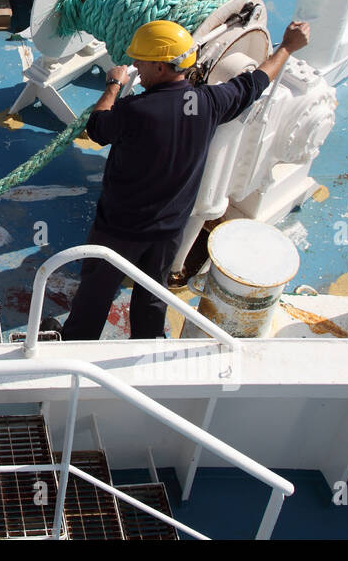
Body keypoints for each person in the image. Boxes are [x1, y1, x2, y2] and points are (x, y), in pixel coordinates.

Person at [61, 19, 311, 341]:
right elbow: (255, 82)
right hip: (168, 233)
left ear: (163, 68)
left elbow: (97, 128)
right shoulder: (210, 103)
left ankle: (74, 348)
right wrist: (288, 46)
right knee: (152, 297)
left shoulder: (134, 111)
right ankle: (148, 351)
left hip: (119, 231)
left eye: (142, 60)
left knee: (93, 297)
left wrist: (114, 84)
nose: (136, 64)